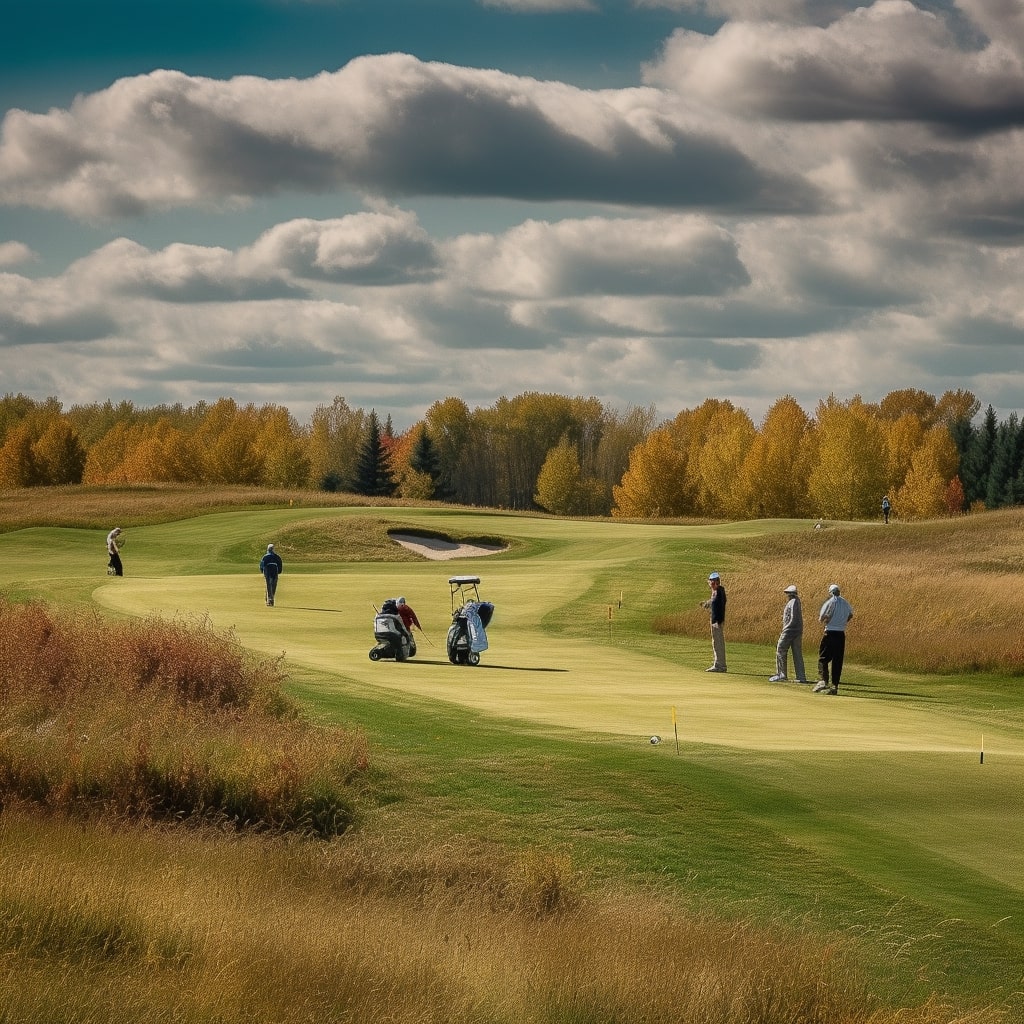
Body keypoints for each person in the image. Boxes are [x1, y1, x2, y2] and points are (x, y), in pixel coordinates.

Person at [814, 583, 854, 695]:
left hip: (830, 632)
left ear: (830, 592)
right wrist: (843, 622)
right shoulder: (845, 602)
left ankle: (823, 681)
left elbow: (821, 618)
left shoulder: (830, 602)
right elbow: (851, 615)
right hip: (841, 634)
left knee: (823, 658)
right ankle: (834, 686)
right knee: (837, 661)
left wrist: (828, 620)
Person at [770, 584, 807, 683]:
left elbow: (792, 618)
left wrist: (785, 629)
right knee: (797, 653)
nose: (787, 595)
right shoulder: (796, 601)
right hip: (797, 631)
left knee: (780, 649)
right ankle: (801, 676)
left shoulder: (793, 602)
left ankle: (782, 674)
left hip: (790, 631)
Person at [701, 571, 727, 672]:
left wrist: (718, 620)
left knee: (717, 643)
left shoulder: (719, 591)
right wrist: (707, 604)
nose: (711, 584)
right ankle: (720, 664)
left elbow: (719, 605)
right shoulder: (717, 591)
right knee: (716, 642)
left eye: (713, 582)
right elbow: (713, 603)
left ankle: (719, 665)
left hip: (717, 621)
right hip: (716, 620)